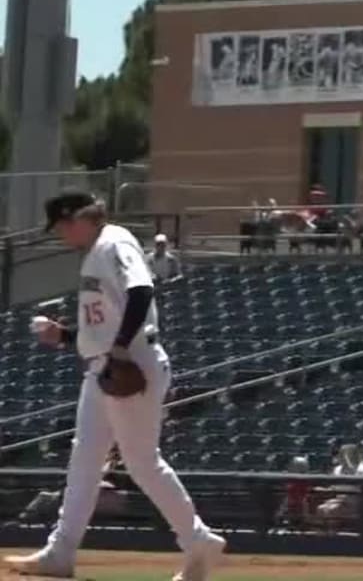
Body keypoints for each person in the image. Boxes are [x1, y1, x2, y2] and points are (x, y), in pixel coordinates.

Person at [6, 190, 226, 580]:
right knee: (85, 459)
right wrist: (65, 335)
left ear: (78, 218)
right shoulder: (95, 253)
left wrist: (121, 347)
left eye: (61, 227)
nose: (61, 236)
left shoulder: (114, 241)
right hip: (104, 367)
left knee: (141, 462)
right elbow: (100, 329)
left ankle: (197, 541)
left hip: (131, 362)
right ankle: (61, 552)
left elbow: (141, 291)